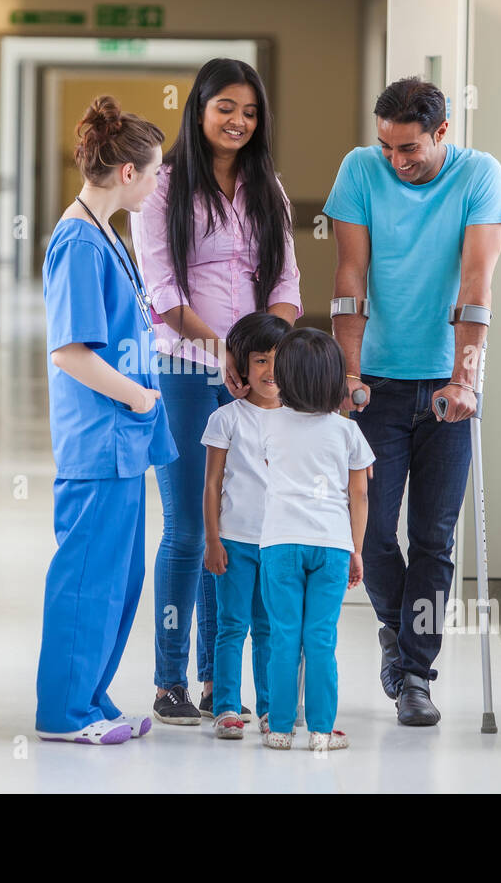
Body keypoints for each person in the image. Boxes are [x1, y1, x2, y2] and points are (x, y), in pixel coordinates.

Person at [325, 77, 501, 726]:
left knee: (433, 537)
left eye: (408, 148)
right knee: (372, 530)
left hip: (445, 390)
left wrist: (466, 379)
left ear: (441, 133)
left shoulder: (480, 176)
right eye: (386, 147)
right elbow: (351, 276)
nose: (395, 161)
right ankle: (393, 627)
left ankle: (415, 672)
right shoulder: (360, 169)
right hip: (375, 381)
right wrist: (348, 371)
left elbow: (476, 281)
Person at [131, 58, 302, 725]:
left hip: (254, 379)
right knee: (185, 528)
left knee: (232, 528)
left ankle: (217, 679)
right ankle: (170, 678)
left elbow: (286, 284)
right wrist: (224, 353)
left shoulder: (268, 190)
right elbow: (163, 296)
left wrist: (265, 359)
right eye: (225, 106)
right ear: (198, 109)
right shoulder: (163, 188)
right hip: (183, 370)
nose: (238, 120)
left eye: (250, 111)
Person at [34, 95, 176, 745]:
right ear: (127, 173)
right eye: (154, 172)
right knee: (88, 575)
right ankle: (64, 714)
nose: (157, 182)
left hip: (122, 440)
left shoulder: (104, 232)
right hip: (100, 438)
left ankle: (90, 697)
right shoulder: (79, 242)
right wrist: (138, 397)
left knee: (120, 576)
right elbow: (69, 352)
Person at [256, 328, 372, 751]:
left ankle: (281, 729)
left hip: (280, 543)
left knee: (284, 636)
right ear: (335, 382)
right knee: (320, 638)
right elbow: (358, 494)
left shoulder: (268, 424)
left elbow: (271, 465)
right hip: (332, 545)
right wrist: (356, 548)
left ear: (282, 379)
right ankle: (322, 731)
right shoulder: (347, 433)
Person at [201, 311, 292, 739]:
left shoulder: (301, 419)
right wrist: (213, 540)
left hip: (279, 544)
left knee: (271, 629)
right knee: (232, 626)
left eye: (277, 359)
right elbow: (213, 484)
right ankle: (226, 708)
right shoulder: (227, 419)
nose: (269, 370)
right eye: (259, 360)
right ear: (240, 365)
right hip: (235, 543)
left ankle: (273, 709)